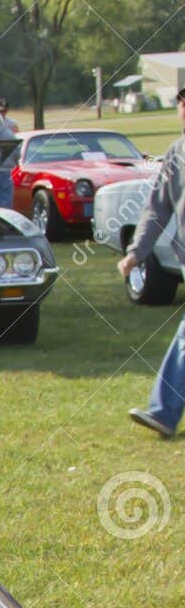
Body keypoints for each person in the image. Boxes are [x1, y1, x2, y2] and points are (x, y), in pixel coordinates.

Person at [118, 86, 185, 438]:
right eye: (182, 102)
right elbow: (157, 208)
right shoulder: (177, 153)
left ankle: (164, 411)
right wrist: (135, 252)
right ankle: (163, 411)